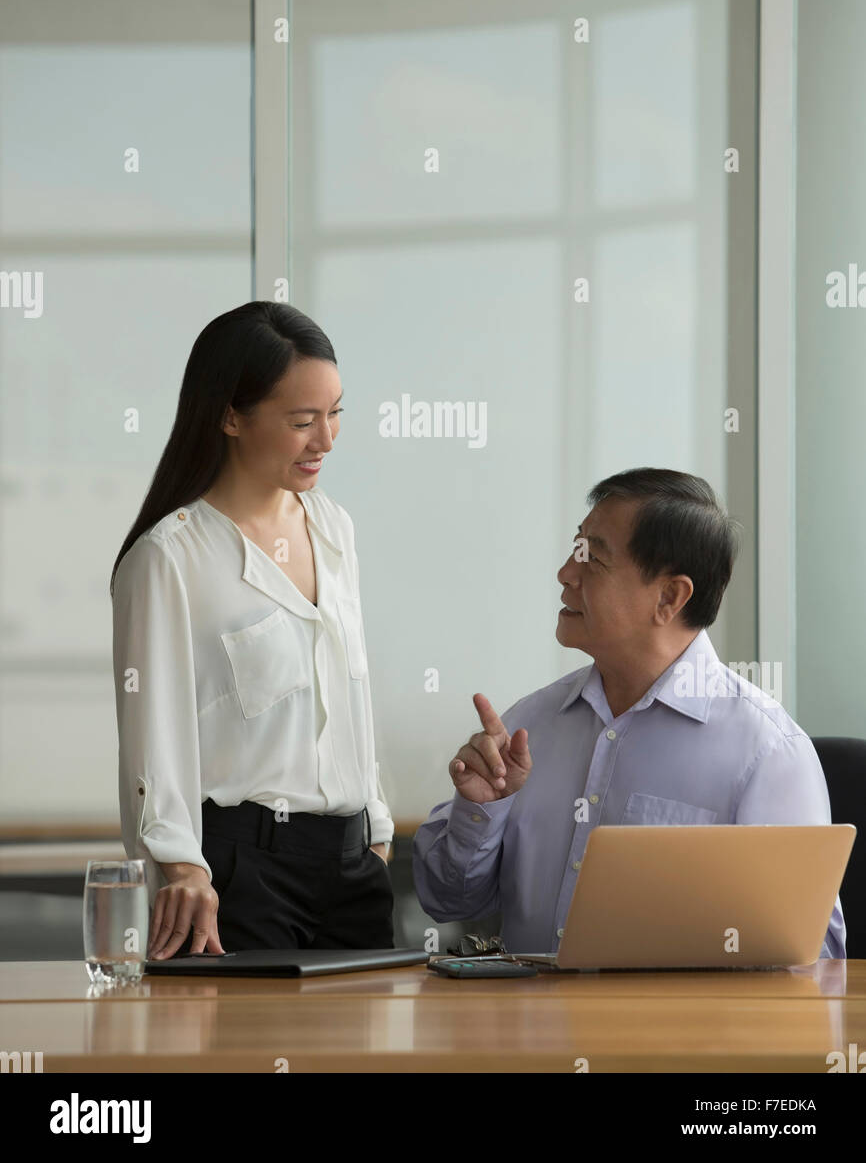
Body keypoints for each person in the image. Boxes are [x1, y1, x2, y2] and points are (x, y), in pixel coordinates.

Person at [413, 467, 846, 959]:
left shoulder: (766, 751)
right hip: (527, 1032)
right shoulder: (527, 726)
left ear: (669, 597)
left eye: (592, 559)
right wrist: (481, 809)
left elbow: (816, 959)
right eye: (575, 549)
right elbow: (445, 900)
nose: (565, 574)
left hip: (675, 1034)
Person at [110, 301, 394, 959]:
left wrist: (376, 834)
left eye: (336, 413)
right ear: (230, 415)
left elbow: (351, 693)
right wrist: (180, 868)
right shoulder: (168, 558)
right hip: (240, 879)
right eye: (302, 421)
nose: (325, 439)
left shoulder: (333, 528)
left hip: (355, 871)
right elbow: (152, 736)